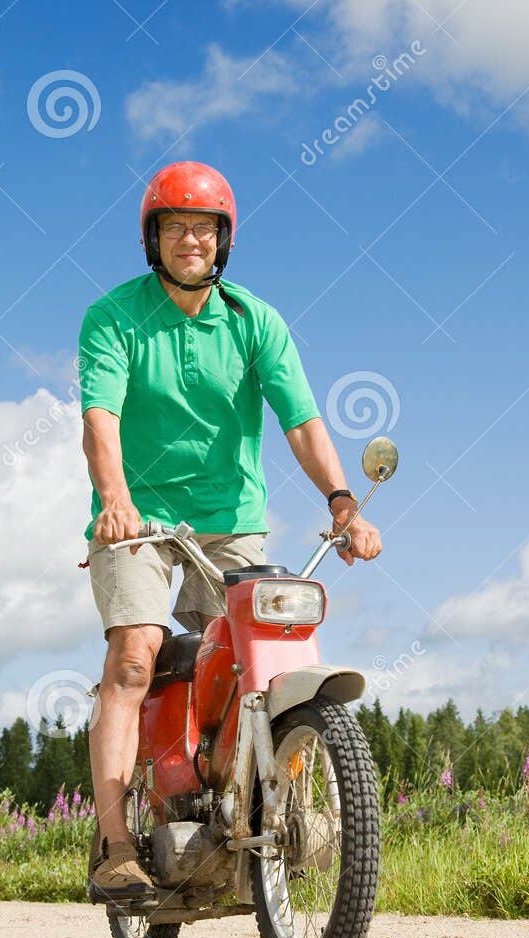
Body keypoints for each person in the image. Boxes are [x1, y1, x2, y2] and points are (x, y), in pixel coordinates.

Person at [78, 160, 383, 898]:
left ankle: (246, 814)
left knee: (256, 666)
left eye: (206, 227)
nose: (192, 238)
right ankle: (116, 844)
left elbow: (301, 421)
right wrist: (114, 498)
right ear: (154, 238)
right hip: (139, 519)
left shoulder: (255, 322)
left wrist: (342, 500)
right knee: (135, 654)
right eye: (176, 224)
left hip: (232, 521)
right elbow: (100, 419)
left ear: (224, 240)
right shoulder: (115, 317)